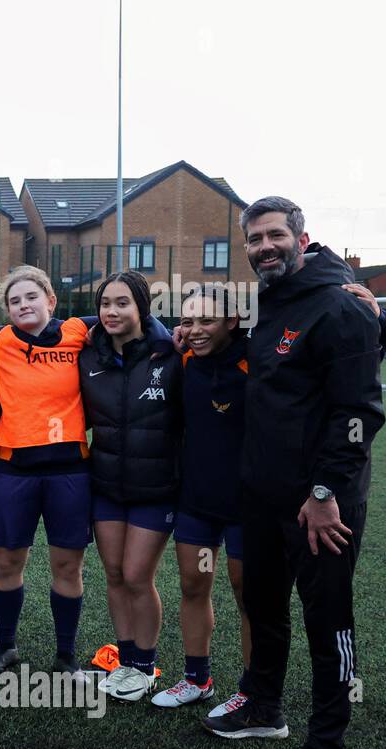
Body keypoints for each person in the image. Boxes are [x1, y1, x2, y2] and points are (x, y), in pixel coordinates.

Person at [203, 196, 385, 749]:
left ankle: (327, 748)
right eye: (254, 239)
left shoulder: (340, 305)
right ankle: (262, 707)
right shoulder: (264, 304)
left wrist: (325, 492)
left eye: (274, 235)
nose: (263, 247)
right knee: (264, 606)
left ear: (302, 239)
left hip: (321, 504)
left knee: (327, 618)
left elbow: (358, 414)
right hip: (263, 496)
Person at [0, 266, 93, 677]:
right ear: (5, 312)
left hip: (69, 471)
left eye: (31, 297)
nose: (23, 305)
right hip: (14, 471)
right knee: (6, 564)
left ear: (51, 300)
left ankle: (65, 656)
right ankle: (6, 646)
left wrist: (167, 333)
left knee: (67, 566)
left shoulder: (79, 331)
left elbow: (130, 315)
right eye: (14, 301)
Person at [79, 271, 182, 702]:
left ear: (142, 307)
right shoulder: (87, 353)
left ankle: (145, 666)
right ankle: (124, 664)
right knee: (116, 575)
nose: (111, 312)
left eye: (122, 303)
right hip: (105, 486)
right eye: (105, 304)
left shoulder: (172, 352)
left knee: (139, 576)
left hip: (156, 488)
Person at [158, 284, 249, 711]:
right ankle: (197, 679)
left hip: (250, 505)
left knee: (248, 593)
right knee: (194, 585)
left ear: (232, 321)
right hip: (197, 501)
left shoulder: (259, 361)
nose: (194, 329)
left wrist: (377, 323)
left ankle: (252, 692)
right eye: (188, 320)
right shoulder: (185, 361)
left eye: (206, 321)